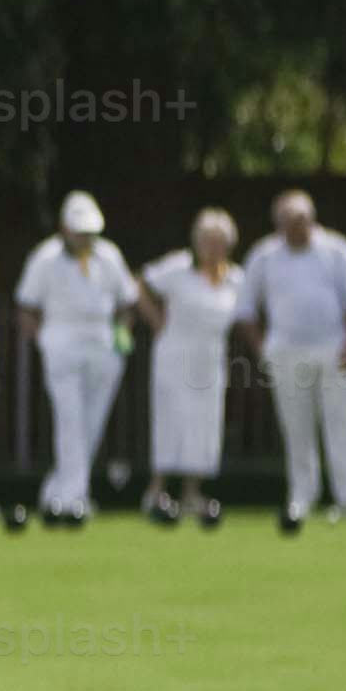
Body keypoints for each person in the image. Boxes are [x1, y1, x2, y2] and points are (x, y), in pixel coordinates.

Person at [244, 188, 346, 533]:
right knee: (296, 427)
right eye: (290, 222)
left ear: (312, 219)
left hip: (334, 349)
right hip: (286, 353)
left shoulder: (337, 249)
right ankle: (302, 494)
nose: (297, 227)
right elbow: (245, 310)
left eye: (302, 220)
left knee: (341, 424)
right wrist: (263, 350)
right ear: (278, 225)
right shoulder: (263, 255)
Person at [17, 191, 134, 528]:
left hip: (103, 346)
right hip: (62, 343)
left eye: (90, 232)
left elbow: (125, 302)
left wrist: (122, 337)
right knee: (69, 421)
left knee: (91, 425)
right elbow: (27, 306)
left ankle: (56, 492)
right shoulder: (44, 258)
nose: (85, 238)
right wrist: (44, 343)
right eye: (79, 231)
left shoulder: (109, 256)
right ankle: (75, 499)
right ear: (64, 228)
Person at [135, 208, 244, 527]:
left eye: (220, 242)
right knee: (171, 419)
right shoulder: (177, 267)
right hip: (175, 356)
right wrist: (156, 321)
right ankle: (156, 490)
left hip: (210, 361)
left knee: (205, 424)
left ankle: (191, 493)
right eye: (208, 241)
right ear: (197, 242)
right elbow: (140, 283)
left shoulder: (236, 278)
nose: (213, 248)